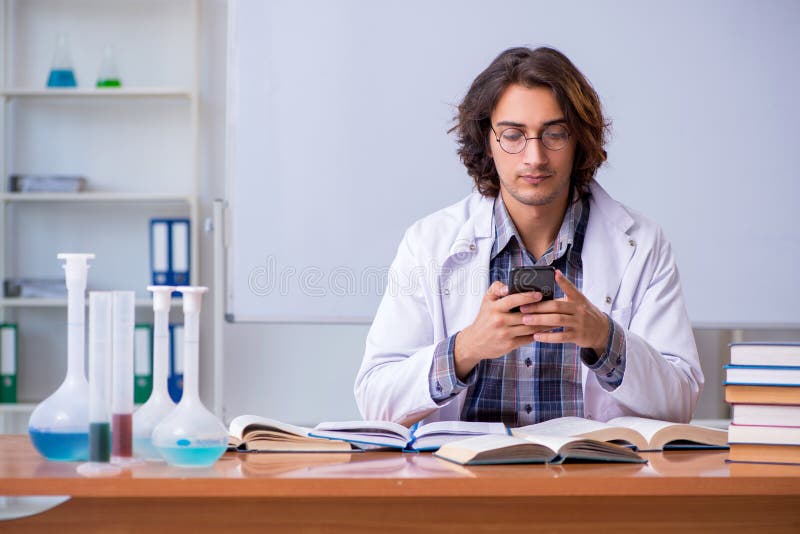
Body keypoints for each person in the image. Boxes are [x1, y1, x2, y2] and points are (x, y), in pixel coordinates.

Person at [354, 46, 702, 428]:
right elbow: (376, 400)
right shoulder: (428, 244)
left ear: (579, 140)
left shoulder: (643, 244)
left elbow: (680, 402)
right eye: (513, 135)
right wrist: (467, 348)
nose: (534, 157)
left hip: (588, 465)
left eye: (555, 134)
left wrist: (604, 338)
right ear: (487, 140)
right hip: (466, 465)